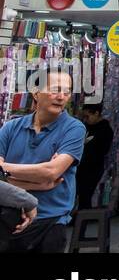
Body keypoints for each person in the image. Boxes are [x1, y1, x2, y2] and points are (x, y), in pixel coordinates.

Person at [0, 66, 84, 253]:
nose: (61, 97)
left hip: (50, 221)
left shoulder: (74, 129)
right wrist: (40, 183)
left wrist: (4, 171)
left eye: (67, 92)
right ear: (36, 93)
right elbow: (45, 176)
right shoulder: (11, 127)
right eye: (55, 90)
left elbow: (51, 172)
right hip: (10, 219)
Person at [76, 103, 114, 210]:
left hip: (92, 168)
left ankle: (82, 220)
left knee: (85, 195)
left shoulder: (105, 130)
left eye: (88, 116)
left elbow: (102, 151)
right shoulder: (86, 126)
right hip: (81, 166)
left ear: (96, 113)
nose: (86, 119)